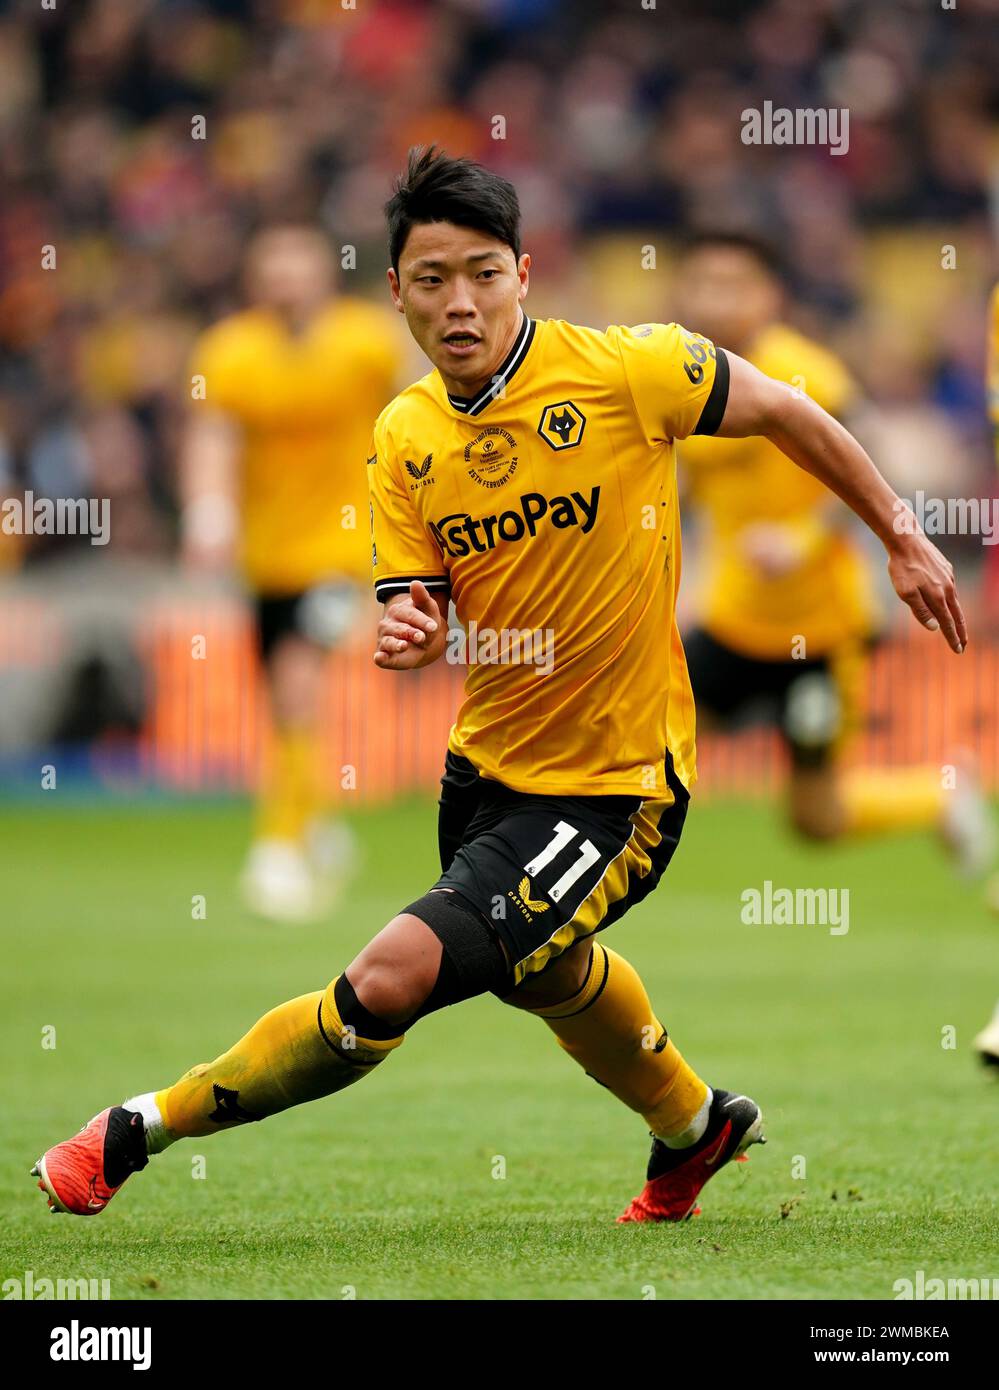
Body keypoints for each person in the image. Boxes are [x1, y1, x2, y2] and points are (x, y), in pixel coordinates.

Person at [33, 149, 967, 1225]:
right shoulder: (405, 435)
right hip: (485, 769)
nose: (459, 302)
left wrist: (901, 535)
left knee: (388, 979)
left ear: (525, 273)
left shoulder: (632, 370)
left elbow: (788, 414)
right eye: (432, 279)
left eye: (483, 273)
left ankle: (135, 1129)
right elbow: (417, 596)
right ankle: (696, 1125)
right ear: (396, 293)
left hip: (617, 787)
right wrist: (413, 626)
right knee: (543, 973)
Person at [676, 231, 992, 866]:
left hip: (819, 635)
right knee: (645, 758)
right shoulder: (681, 379)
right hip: (732, 623)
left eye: (735, 285)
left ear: (772, 296)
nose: (717, 299)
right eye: (706, 283)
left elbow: (872, 461)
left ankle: (940, 796)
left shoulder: (804, 373)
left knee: (816, 818)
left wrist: (802, 538)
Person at [180, 225, 403, 920]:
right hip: (268, 554)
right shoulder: (229, 350)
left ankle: (276, 848)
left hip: (346, 550)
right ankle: (318, 818)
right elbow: (212, 434)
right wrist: (207, 511)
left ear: (324, 272)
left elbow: (416, 410)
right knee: (283, 697)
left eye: (297, 264)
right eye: (271, 266)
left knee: (297, 677)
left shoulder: (366, 340)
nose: (285, 280)